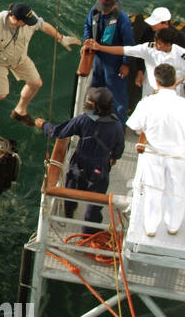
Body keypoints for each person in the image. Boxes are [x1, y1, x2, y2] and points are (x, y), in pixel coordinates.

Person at [125, 63, 185, 236]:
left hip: (153, 152)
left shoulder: (147, 103)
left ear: (156, 80)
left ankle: (151, 227)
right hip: (179, 153)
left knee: (153, 189)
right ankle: (173, 226)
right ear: (175, 80)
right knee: (177, 189)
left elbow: (135, 126)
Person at [32, 87, 125, 226]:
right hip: (100, 167)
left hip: (79, 163)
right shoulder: (117, 126)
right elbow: (119, 147)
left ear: (95, 105)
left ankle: (69, 213)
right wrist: (114, 157)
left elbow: (58, 132)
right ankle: (89, 232)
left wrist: (43, 125)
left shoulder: (83, 120)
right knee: (96, 200)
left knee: (71, 191)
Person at [85, 26, 185, 103]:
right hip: (152, 90)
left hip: (174, 94)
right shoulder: (149, 48)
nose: (156, 45)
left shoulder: (184, 55)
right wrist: (99, 47)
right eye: (155, 42)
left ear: (168, 45)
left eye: (159, 44)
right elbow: (125, 50)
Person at [83, 0, 135, 121]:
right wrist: (87, 40)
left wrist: (126, 63)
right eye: (102, 8)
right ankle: (93, 120)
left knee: (117, 96)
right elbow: (87, 26)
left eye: (107, 8)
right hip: (98, 59)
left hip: (114, 62)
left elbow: (129, 44)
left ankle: (119, 125)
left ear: (114, 5)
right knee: (95, 91)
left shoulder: (123, 20)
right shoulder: (94, 11)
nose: (104, 11)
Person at [128, 5, 185, 104]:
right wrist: (140, 71)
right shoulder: (149, 32)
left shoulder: (179, 38)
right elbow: (142, 52)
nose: (152, 25)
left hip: (172, 80)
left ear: (165, 23)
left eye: (155, 23)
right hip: (151, 77)